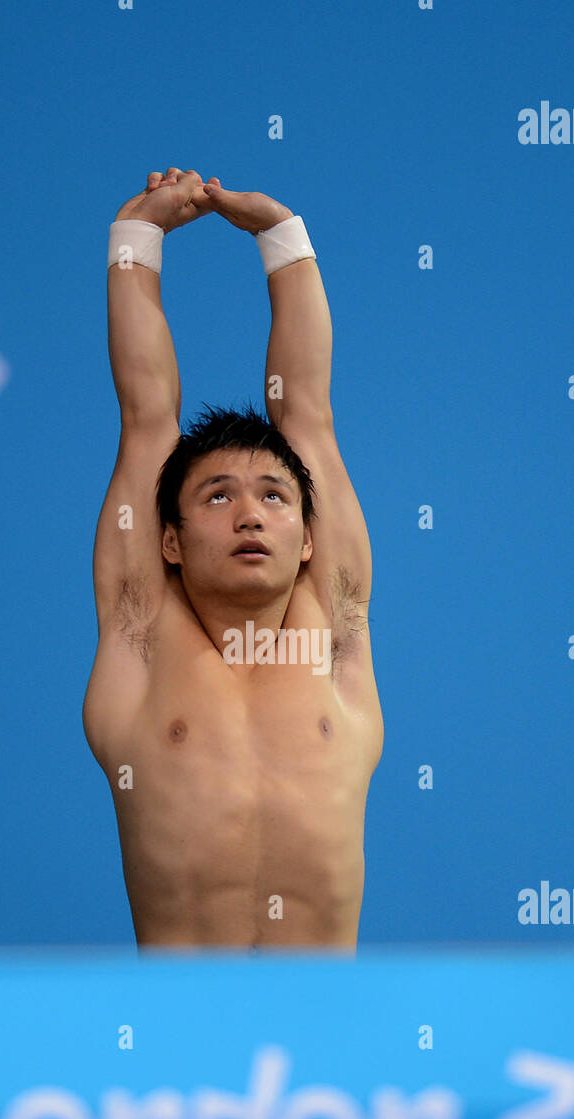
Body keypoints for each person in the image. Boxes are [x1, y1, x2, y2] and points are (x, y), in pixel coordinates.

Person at [83, 167, 382, 950]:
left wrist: (282, 236)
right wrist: (135, 239)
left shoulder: (337, 627)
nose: (250, 512)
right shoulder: (140, 637)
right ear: (168, 541)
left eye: (275, 498)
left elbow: (305, 412)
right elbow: (148, 416)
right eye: (216, 496)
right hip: (177, 1052)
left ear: (311, 540)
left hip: (327, 1050)